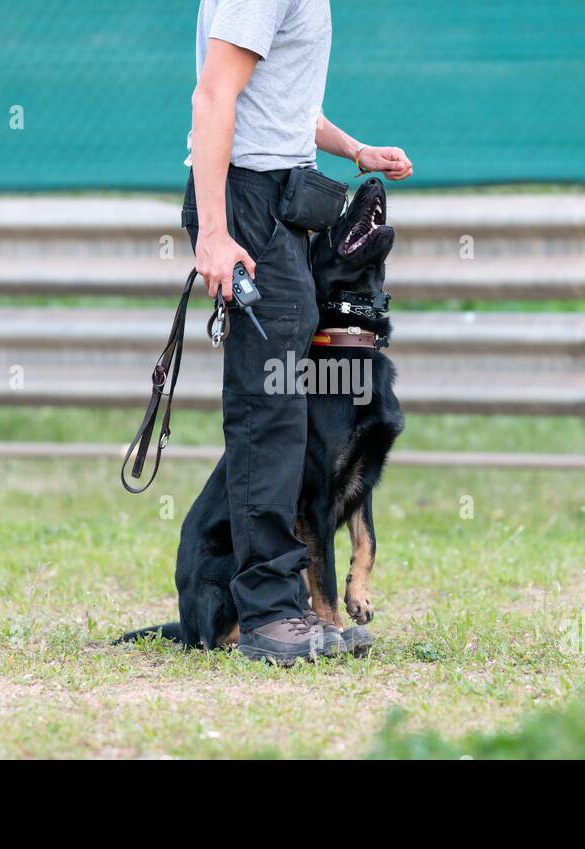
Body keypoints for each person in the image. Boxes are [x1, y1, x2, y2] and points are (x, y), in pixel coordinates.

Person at [182, 0, 412, 663]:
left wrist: (354, 150)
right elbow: (214, 94)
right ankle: (267, 612)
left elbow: (280, 105)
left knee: (286, 409)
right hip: (248, 198)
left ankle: (285, 602)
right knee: (270, 408)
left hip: (275, 193)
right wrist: (219, 231)